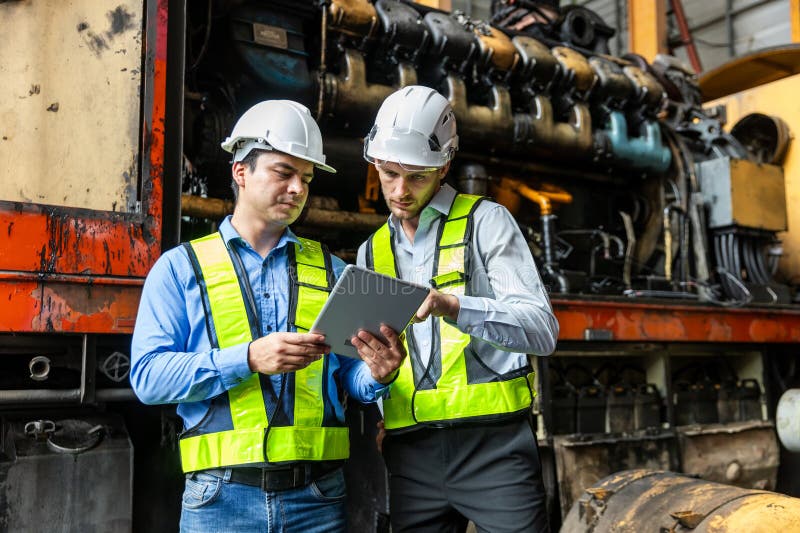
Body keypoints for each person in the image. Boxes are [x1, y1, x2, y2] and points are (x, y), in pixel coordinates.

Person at [130, 100, 404, 533]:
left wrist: (380, 375)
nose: (298, 188)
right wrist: (249, 359)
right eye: (284, 173)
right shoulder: (181, 268)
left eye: (307, 179)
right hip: (220, 500)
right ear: (241, 171)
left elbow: (349, 376)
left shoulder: (332, 271)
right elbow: (148, 378)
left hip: (318, 498)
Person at [351, 86, 559, 532]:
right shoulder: (370, 253)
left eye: (417, 176)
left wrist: (454, 305)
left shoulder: (487, 222)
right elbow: (368, 360)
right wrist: (377, 380)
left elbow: (542, 329)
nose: (400, 190)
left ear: (444, 166)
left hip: (495, 450)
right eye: (389, 174)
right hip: (410, 456)